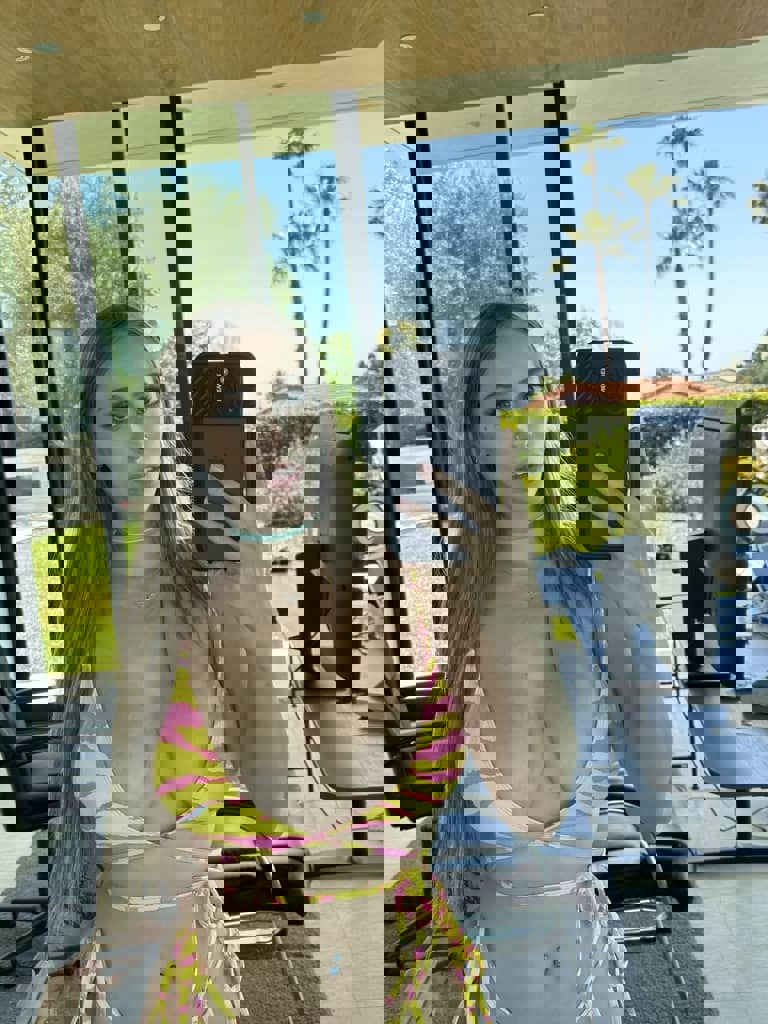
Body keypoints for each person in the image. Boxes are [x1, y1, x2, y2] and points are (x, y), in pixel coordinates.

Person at [391, 303, 680, 1022]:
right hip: (490, 958)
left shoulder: (587, 574)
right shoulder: (442, 580)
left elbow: (647, 728)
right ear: (469, 431)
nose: (523, 422)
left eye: (534, 396)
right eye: (500, 404)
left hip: (587, 953)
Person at [20, 306, 293, 1024]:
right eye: (117, 413)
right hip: (95, 967)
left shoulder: (212, 575)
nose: (139, 432)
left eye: (149, 405)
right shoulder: (68, 582)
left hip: (188, 968)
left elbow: (278, 772)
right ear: (88, 438)